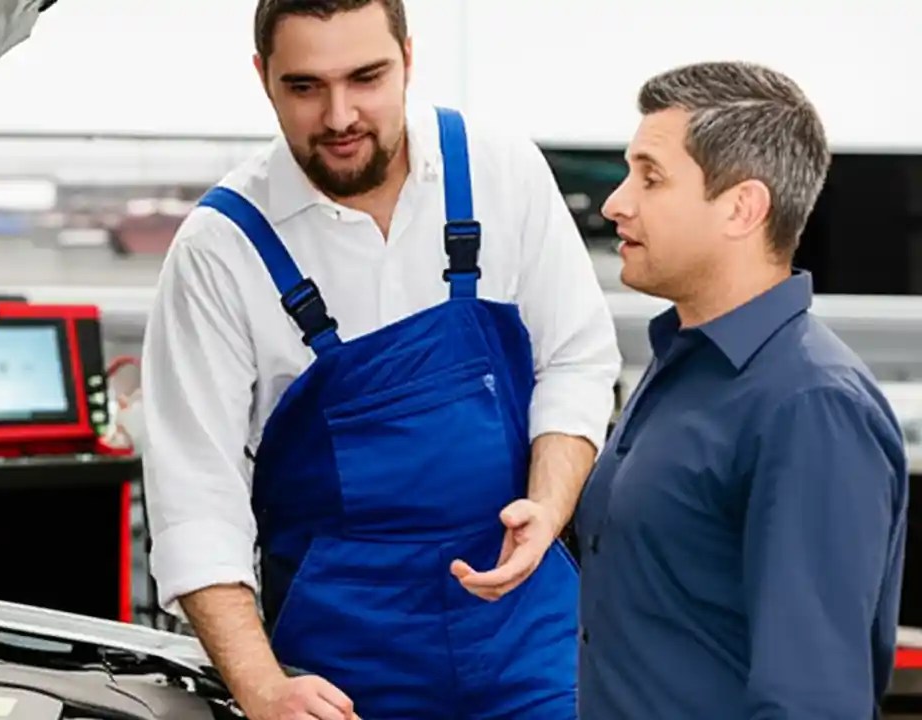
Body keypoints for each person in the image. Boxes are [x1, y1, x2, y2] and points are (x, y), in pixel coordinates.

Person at [140, 1, 621, 717]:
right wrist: (263, 687)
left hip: (528, 633)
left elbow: (577, 361)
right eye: (304, 87)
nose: (339, 116)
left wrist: (548, 507)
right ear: (262, 78)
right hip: (343, 669)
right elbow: (194, 500)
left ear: (408, 58)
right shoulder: (221, 248)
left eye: (366, 77)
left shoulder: (500, 170)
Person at [575, 60, 909, 719]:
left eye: (651, 177)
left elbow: (812, 702)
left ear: (741, 209)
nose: (616, 202)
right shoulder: (682, 363)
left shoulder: (810, 406)